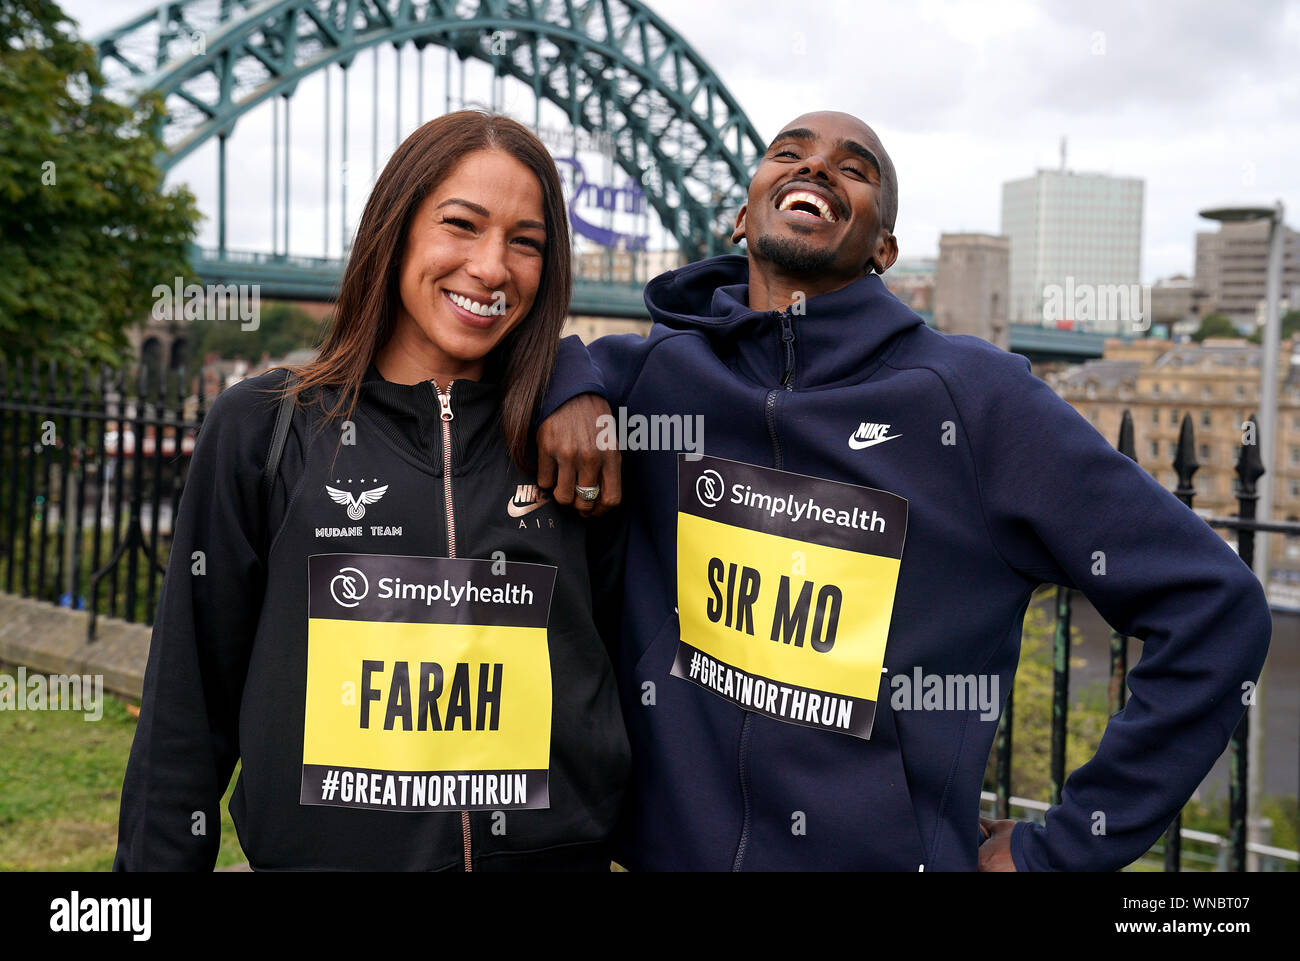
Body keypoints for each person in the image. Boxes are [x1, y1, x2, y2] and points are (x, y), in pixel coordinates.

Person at [538, 110, 1272, 871]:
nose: (816, 168)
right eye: (788, 153)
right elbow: (501, 362)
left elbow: (1216, 607)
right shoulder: (652, 377)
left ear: (883, 248)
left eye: (853, 169)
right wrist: (566, 380)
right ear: (740, 214)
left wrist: (1062, 847)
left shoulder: (974, 402)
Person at [115, 110, 630, 871]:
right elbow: (185, 712)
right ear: (396, 228)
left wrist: (575, 374)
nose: (492, 267)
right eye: (461, 224)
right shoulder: (263, 428)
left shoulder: (571, 447)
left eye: (526, 241)